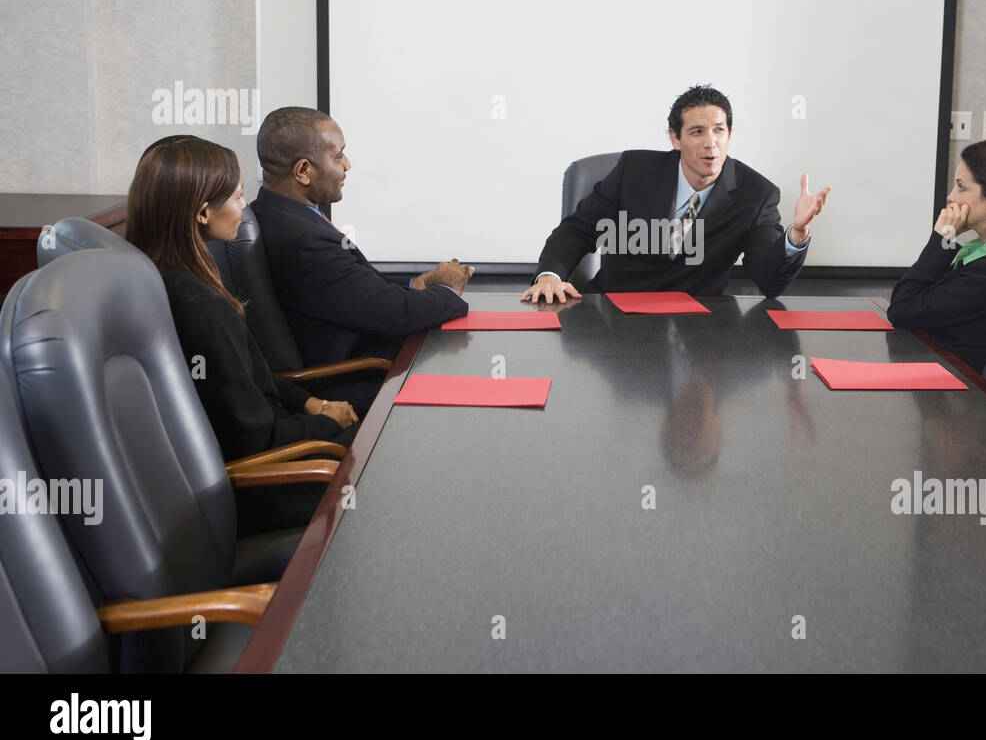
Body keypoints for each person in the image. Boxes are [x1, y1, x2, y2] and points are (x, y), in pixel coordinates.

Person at [125, 135, 358, 463]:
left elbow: (244, 376)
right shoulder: (205, 309)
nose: (244, 207)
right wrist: (326, 422)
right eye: (238, 195)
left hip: (276, 443)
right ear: (203, 213)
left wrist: (311, 404)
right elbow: (258, 440)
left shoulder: (156, 278)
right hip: (274, 475)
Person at [521, 84, 831, 303]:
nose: (711, 143)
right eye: (697, 132)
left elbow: (769, 280)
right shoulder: (634, 170)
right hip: (616, 320)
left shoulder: (756, 194)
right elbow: (578, 229)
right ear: (675, 138)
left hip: (700, 333)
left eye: (719, 130)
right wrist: (549, 275)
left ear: (730, 135)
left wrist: (798, 233)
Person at [251, 107, 471, 407]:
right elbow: (395, 313)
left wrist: (416, 283)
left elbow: (352, 287)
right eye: (338, 156)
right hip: (360, 383)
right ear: (303, 171)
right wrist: (447, 288)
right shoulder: (304, 240)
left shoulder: (277, 214)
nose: (348, 164)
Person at [887, 140, 986, 373]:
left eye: (961, 187)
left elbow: (902, 309)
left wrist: (942, 237)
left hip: (953, 381)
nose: (951, 197)